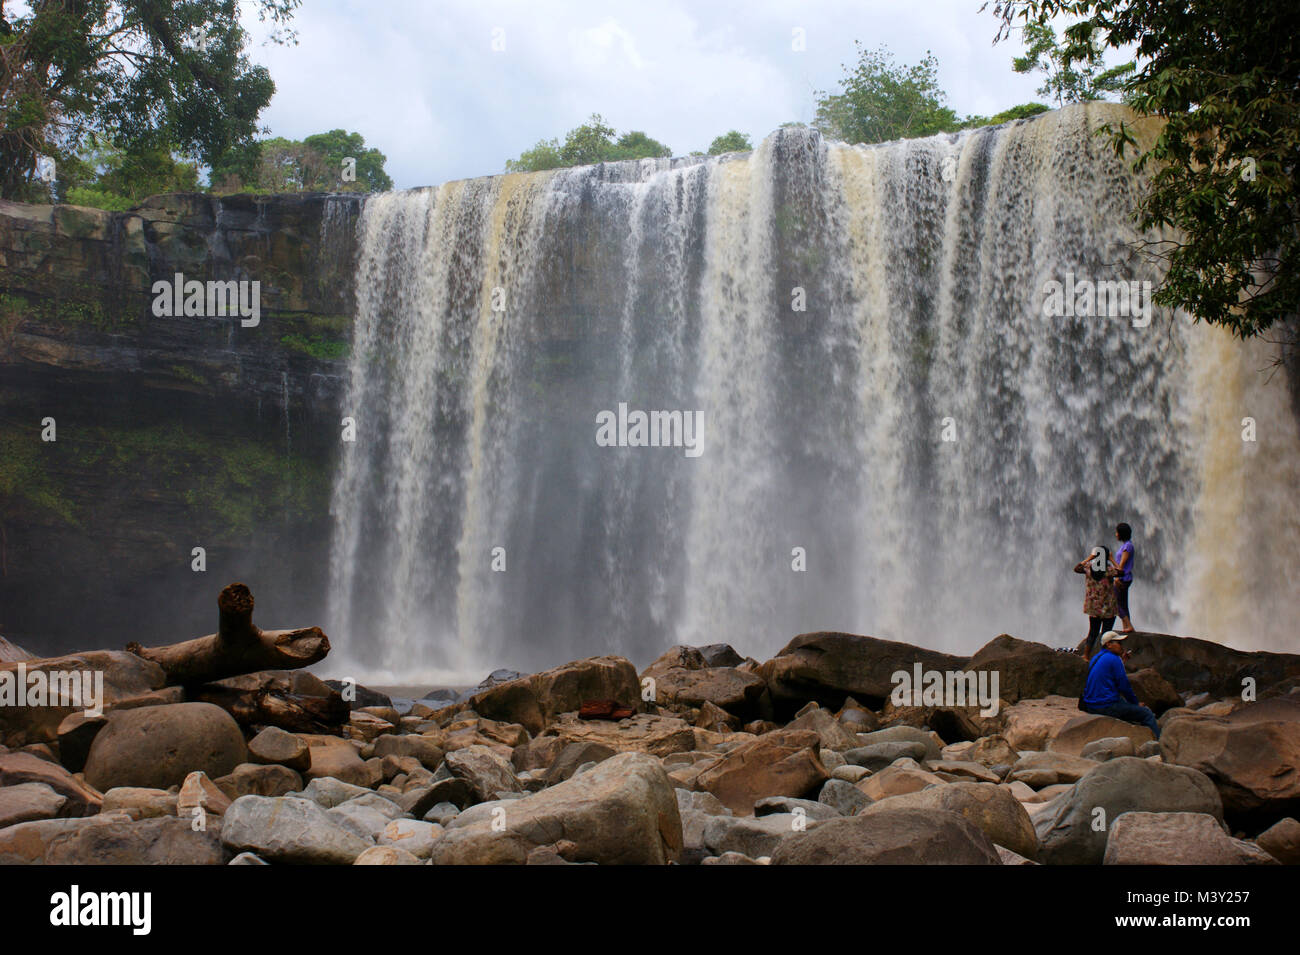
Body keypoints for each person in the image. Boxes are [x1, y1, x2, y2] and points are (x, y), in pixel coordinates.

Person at [1080, 631, 1160, 738]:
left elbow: (1106, 673)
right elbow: (1124, 686)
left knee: (1124, 705)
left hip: (1090, 705)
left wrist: (1121, 662)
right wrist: (1135, 703)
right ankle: (1158, 744)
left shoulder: (1095, 658)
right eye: (1119, 643)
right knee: (1147, 714)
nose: (1122, 646)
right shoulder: (1114, 659)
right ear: (1108, 644)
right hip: (1106, 706)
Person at [1073, 546, 1118, 660]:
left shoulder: (1088, 568)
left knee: (1093, 632)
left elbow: (1076, 568)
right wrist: (1112, 559)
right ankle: (1103, 657)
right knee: (1106, 634)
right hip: (1108, 607)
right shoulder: (1109, 570)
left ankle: (1086, 656)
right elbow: (1122, 571)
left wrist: (1090, 558)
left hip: (1094, 608)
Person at [1110, 522, 1136, 632]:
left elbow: (1121, 565)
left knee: (1115, 603)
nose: (1115, 534)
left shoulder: (1128, 547)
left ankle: (1128, 625)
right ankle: (1126, 626)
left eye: (1117, 532)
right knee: (1122, 603)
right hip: (1124, 577)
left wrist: (1111, 559)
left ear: (1121, 533)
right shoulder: (1126, 545)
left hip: (1122, 578)